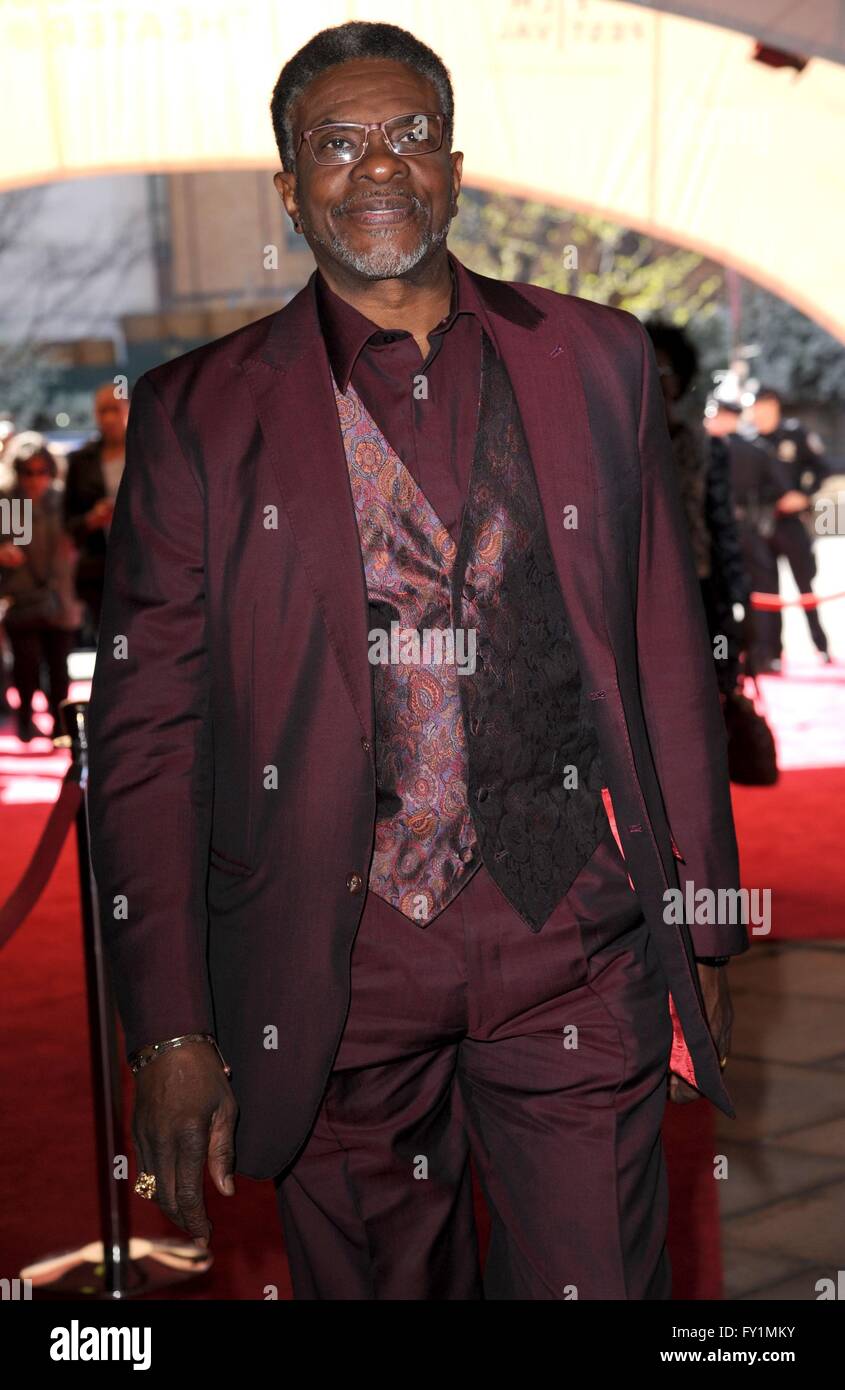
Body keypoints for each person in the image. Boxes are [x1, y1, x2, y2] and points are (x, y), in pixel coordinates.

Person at [87, 20, 748, 1302]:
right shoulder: (197, 413)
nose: (375, 169)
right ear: (289, 188)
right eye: (334, 146)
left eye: (405, 137)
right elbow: (149, 737)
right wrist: (168, 1021)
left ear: (453, 165)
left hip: (571, 932)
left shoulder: (595, 359)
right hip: (327, 965)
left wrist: (705, 932)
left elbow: (668, 651)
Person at [646, 322, 747, 695]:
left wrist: (740, 602)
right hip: (642, 598)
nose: (656, 380)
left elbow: (723, 528)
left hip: (701, 590)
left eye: (664, 371)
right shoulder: (615, 447)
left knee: (710, 699)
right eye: (647, 368)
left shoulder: (707, 448)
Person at [705, 400, 808, 676]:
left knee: (721, 599)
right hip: (750, 534)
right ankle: (763, 656)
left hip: (712, 539)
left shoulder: (701, 449)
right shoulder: (756, 451)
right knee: (761, 595)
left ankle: (724, 660)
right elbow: (783, 491)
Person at [0, 439, 82, 741]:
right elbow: (14, 544)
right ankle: (25, 720)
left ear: (52, 471)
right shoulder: (11, 502)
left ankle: (61, 726)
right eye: (27, 472)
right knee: (26, 666)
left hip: (61, 597)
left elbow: (79, 540)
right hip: (23, 597)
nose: (35, 479)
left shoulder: (63, 500)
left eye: (41, 471)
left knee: (59, 668)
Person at [750, 387, 831, 664]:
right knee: (768, 592)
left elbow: (822, 467)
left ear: (774, 406)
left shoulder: (795, 434)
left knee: (805, 586)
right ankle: (773, 653)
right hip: (763, 525)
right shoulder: (748, 441)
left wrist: (804, 495)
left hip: (793, 525)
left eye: (765, 406)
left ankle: (821, 645)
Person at [63, 381, 130, 639]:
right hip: (99, 566)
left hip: (146, 561)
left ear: (128, 409)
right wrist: (92, 518)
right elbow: (68, 522)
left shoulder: (149, 451)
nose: (110, 417)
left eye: (115, 409)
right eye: (103, 411)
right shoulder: (81, 460)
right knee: (110, 639)